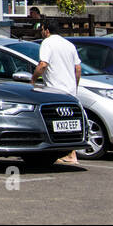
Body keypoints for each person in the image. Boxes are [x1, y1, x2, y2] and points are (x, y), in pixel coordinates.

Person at [32, 18, 84, 166]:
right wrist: (75, 85)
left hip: (54, 89)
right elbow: (78, 68)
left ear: (46, 30)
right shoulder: (69, 44)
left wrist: (33, 79)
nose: (41, 32)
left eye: (42, 29)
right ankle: (72, 153)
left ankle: (61, 152)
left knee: (55, 122)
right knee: (70, 122)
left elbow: (43, 64)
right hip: (70, 89)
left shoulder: (47, 43)